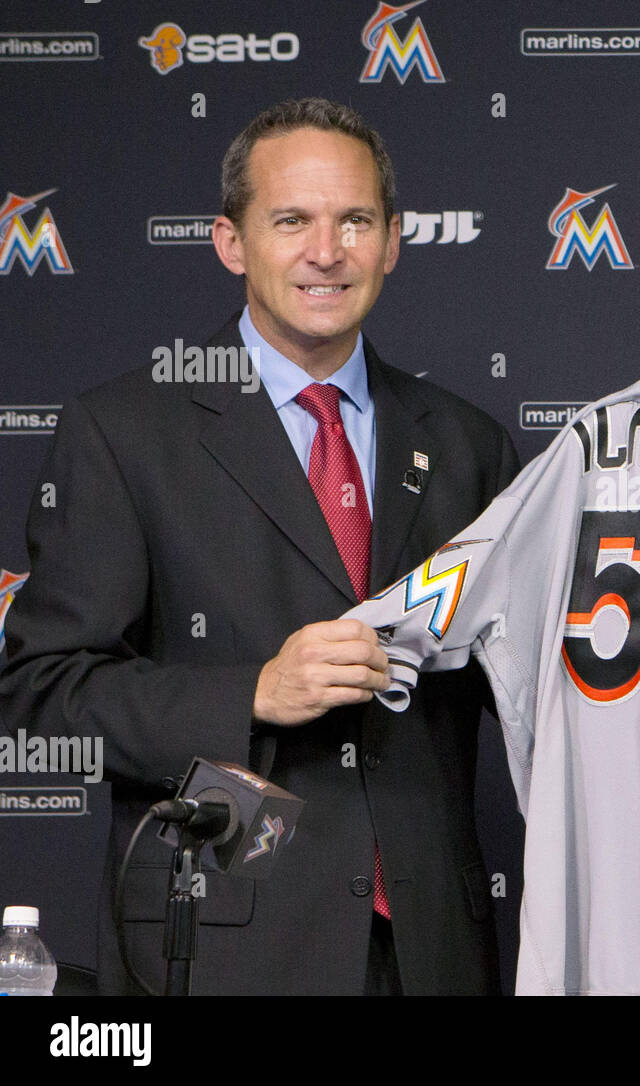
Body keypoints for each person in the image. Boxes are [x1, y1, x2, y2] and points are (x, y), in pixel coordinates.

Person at [0, 98, 519, 995]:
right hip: (224, 949)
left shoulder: (470, 444)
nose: (328, 251)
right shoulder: (124, 432)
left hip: (433, 954)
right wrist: (254, 693)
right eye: (292, 221)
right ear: (230, 243)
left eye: (355, 220)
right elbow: (41, 703)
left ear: (394, 241)